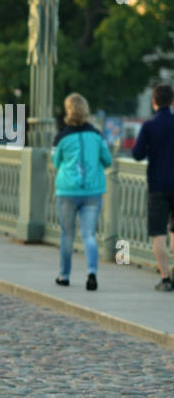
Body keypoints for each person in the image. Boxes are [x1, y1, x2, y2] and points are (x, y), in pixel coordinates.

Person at [51, 93, 111, 290]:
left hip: (67, 190)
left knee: (67, 235)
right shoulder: (96, 135)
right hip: (93, 191)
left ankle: (64, 275)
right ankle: (91, 272)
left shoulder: (62, 136)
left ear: (68, 111)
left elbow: (56, 162)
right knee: (89, 235)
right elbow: (108, 160)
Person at [133, 83, 174, 291]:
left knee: (159, 233)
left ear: (154, 102)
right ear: (173, 101)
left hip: (158, 185)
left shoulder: (149, 127)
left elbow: (137, 154)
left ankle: (165, 278)